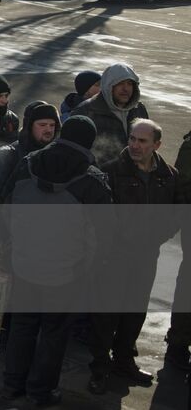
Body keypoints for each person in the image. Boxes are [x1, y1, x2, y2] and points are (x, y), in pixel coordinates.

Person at [0, 116, 112, 408]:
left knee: (22, 325)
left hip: (24, 263)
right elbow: (102, 237)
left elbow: (6, 206)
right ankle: (40, 391)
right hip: (66, 273)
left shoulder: (28, 164)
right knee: (53, 333)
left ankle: (12, 385)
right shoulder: (92, 181)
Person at [89, 119, 179, 394]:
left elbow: (174, 215)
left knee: (135, 311)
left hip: (146, 255)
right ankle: (99, 368)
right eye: (132, 139)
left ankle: (124, 361)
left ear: (156, 145)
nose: (135, 145)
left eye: (142, 141)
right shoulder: (112, 172)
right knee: (107, 315)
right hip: (115, 257)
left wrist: (154, 239)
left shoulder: (168, 176)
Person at [0, 101, 60, 203]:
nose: (48, 130)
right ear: (29, 126)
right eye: (42, 125)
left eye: (52, 125)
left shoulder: (59, 155)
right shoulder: (7, 155)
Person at [74, 62, 149, 166]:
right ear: (108, 86)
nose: (125, 88)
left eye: (129, 83)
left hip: (134, 176)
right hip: (100, 177)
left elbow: (149, 143)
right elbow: (74, 151)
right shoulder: (86, 111)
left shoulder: (138, 109)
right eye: (120, 83)